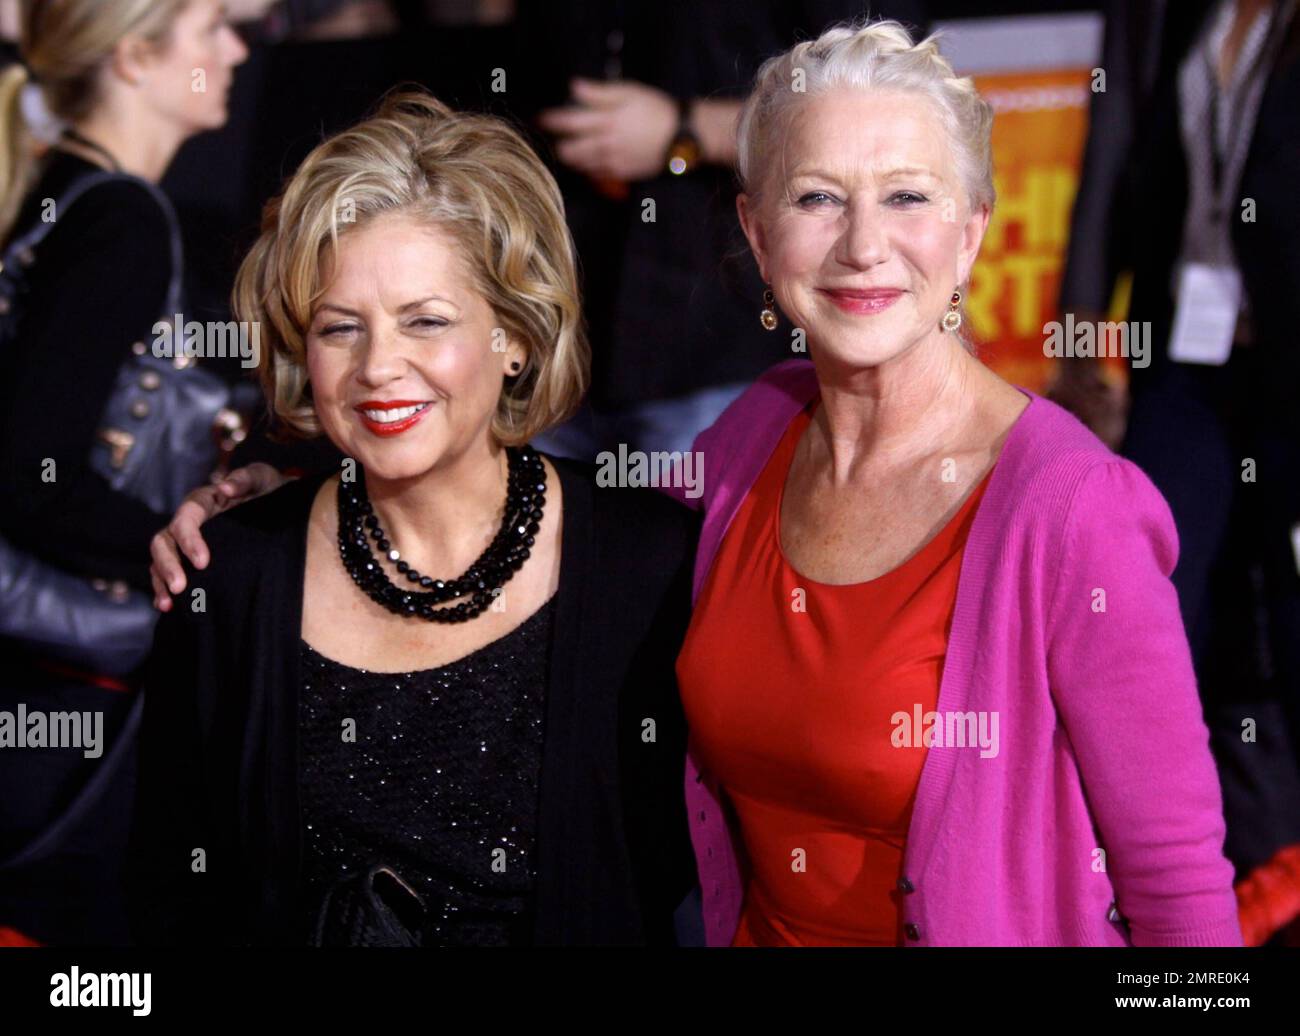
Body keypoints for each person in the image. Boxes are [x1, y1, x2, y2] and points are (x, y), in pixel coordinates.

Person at [669, 19, 1241, 946]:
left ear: (972, 232)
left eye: (907, 196)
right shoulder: (747, 440)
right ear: (757, 232)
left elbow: (1178, 894)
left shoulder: (1072, 510)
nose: (864, 245)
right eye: (817, 197)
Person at [131, 89, 697, 946]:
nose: (377, 368)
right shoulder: (231, 575)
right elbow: (171, 901)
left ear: (516, 334)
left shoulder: (646, 563)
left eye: (425, 322)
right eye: (339, 328)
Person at [0, 0, 249, 946]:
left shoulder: (53, 186)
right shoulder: (124, 223)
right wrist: (184, 548)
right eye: (211, 31)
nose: (235, 51)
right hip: (59, 681)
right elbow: (32, 472)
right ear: (138, 60)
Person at [1054, 0, 1300, 907]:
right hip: (1185, 360)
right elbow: (1111, 143)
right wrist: (1081, 330)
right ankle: (1184, 884)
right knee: (1154, 608)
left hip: (1289, 360)